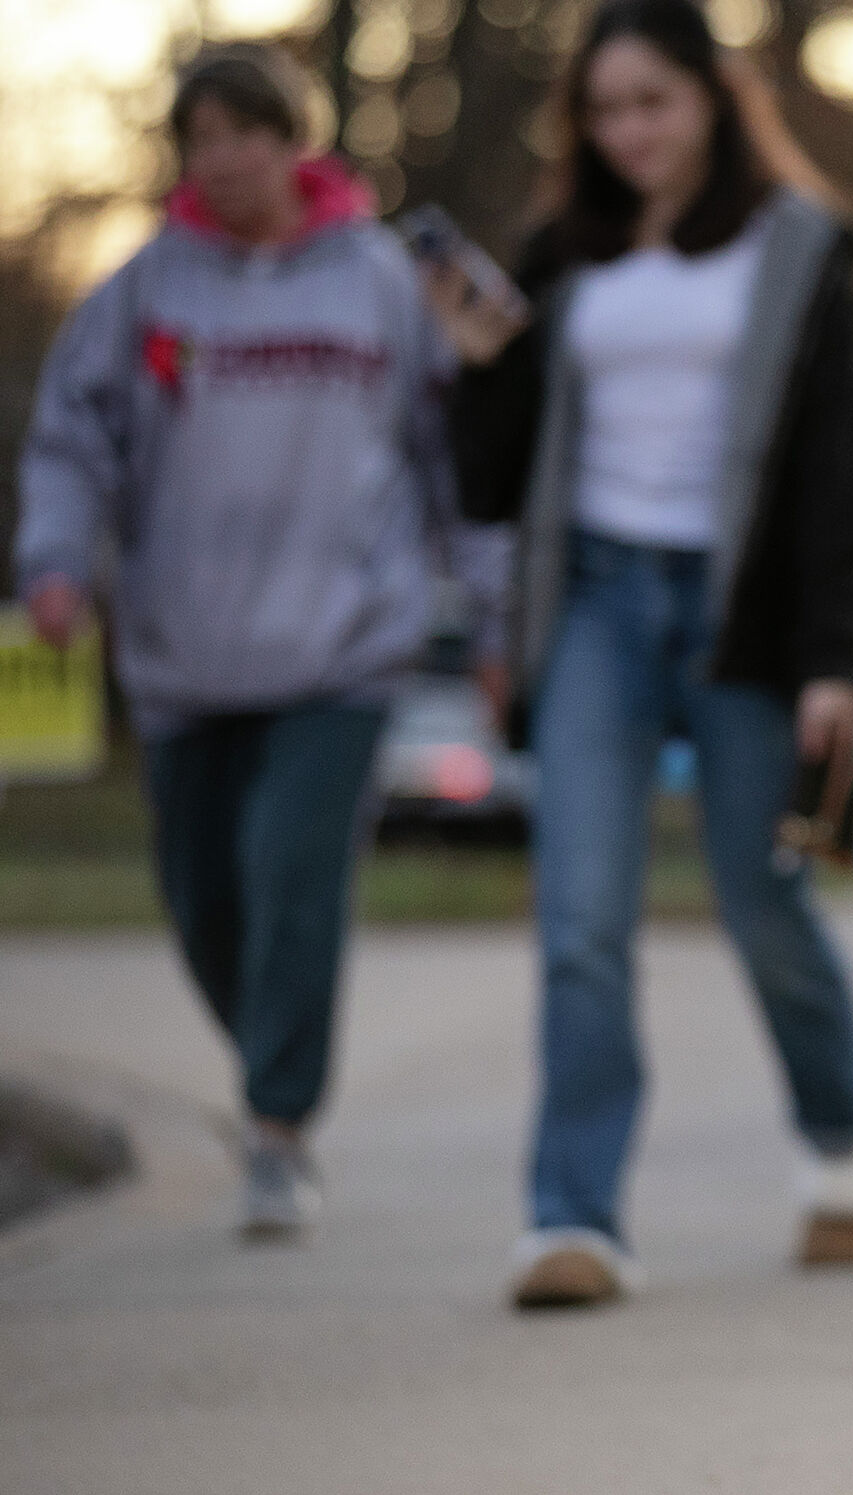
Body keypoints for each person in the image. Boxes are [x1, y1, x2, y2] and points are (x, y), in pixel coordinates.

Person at [429, 0, 853, 1310]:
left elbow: (837, 465)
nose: (631, 130)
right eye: (607, 109)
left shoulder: (800, 244)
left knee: (764, 901)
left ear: (712, 97)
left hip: (744, 613)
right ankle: (572, 1218)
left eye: (653, 100)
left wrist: (832, 653)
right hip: (592, 599)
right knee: (584, 917)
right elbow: (491, 481)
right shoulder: (559, 254)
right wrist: (480, 367)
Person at [15, 44, 495, 1239]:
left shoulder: (382, 282)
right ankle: (278, 1052)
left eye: (248, 133)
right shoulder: (142, 293)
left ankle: (277, 1128)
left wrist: (494, 611)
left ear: (298, 145)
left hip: (341, 644)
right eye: (204, 138)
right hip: (185, 649)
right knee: (202, 900)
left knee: (291, 869)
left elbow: (457, 457)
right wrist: (57, 561)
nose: (225, 159)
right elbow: (72, 440)